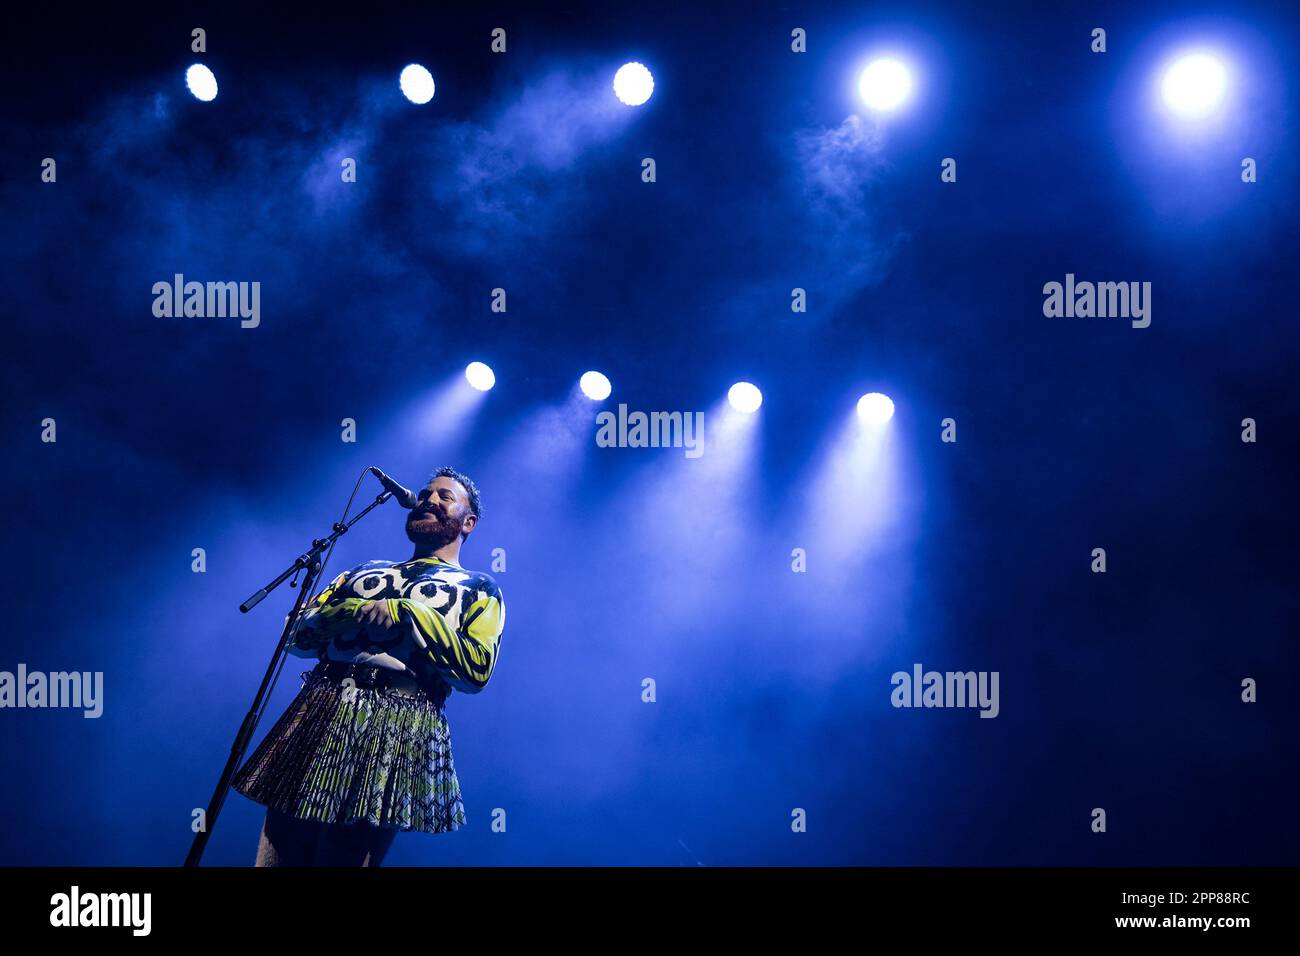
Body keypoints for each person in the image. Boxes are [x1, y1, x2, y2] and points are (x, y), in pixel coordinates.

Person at [231, 466, 505, 866]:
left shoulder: (479, 589)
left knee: (342, 857)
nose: (429, 499)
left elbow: (476, 671)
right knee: (277, 853)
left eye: (445, 496)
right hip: (321, 706)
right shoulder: (362, 572)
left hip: (396, 721)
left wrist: (410, 613)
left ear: (469, 522)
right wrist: (350, 612)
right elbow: (294, 635)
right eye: (426, 493)